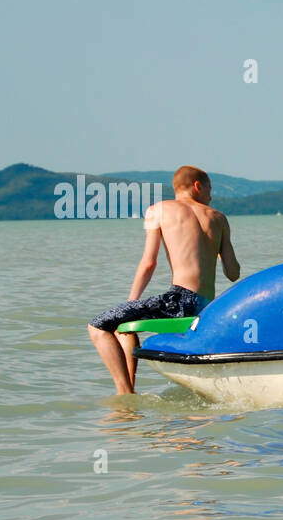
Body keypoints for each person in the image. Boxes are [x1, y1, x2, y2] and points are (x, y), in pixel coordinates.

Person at [88, 166, 240, 395]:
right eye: (210, 189)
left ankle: (124, 394)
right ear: (197, 186)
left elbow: (149, 262)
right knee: (123, 329)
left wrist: (132, 300)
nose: (211, 195)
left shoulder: (158, 210)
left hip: (179, 300)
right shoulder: (218, 218)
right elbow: (233, 273)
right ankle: (130, 388)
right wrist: (214, 247)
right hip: (207, 306)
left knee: (98, 326)